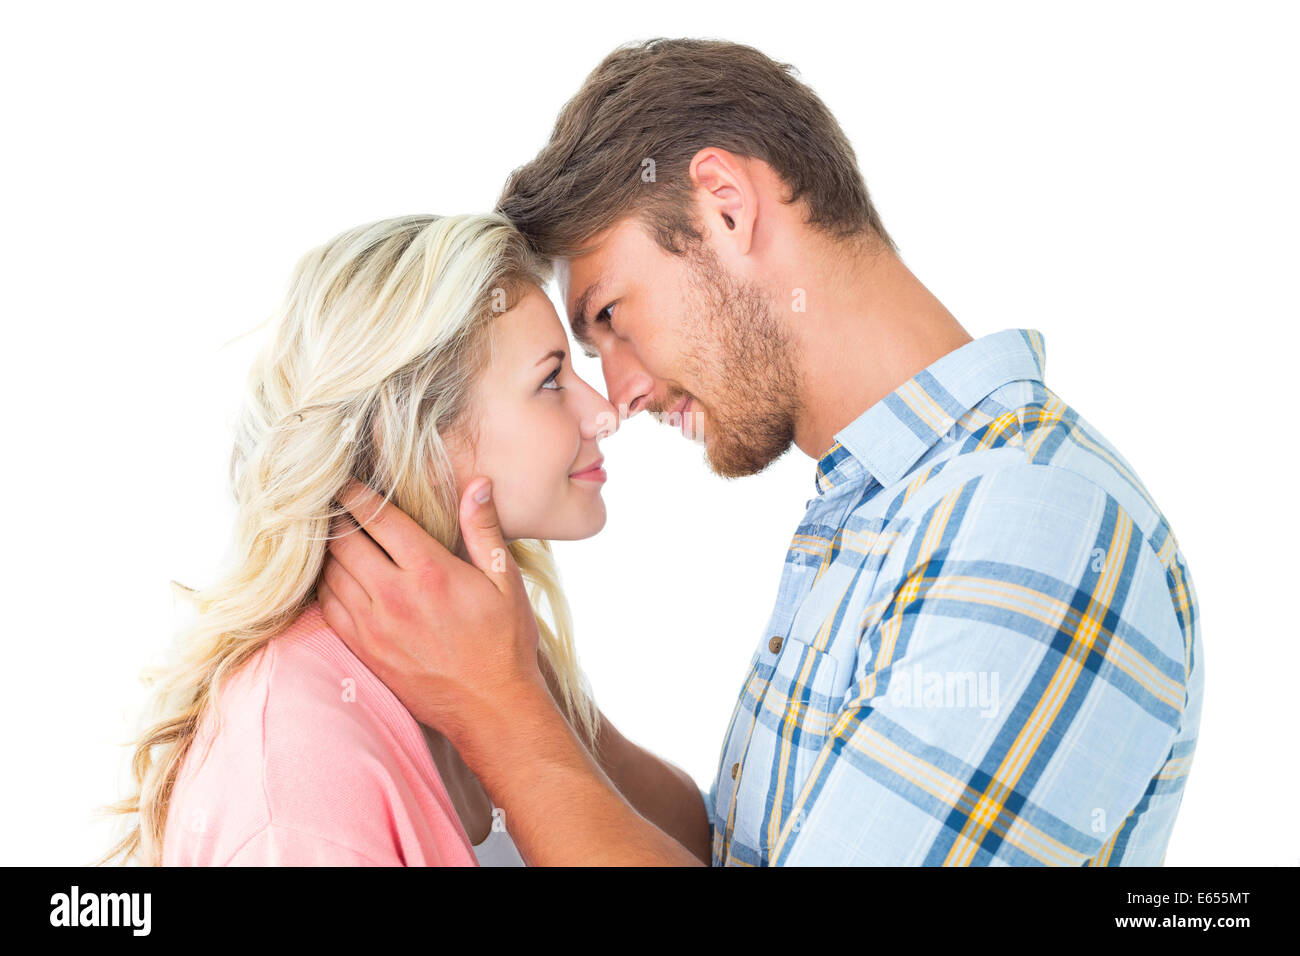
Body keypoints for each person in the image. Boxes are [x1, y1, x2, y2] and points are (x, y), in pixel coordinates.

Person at [319, 38, 1205, 866]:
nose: (618, 394)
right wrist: (529, 685)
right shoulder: (884, 507)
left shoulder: (1026, 521)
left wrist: (500, 715)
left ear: (726, 207)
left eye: (613, 318)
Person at [100, 212, 707, 866]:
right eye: (551, 380)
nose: (604, 411)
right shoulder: (298, 780)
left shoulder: (484, 651)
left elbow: (698, 845)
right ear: (417, 437)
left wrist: (517, 694)